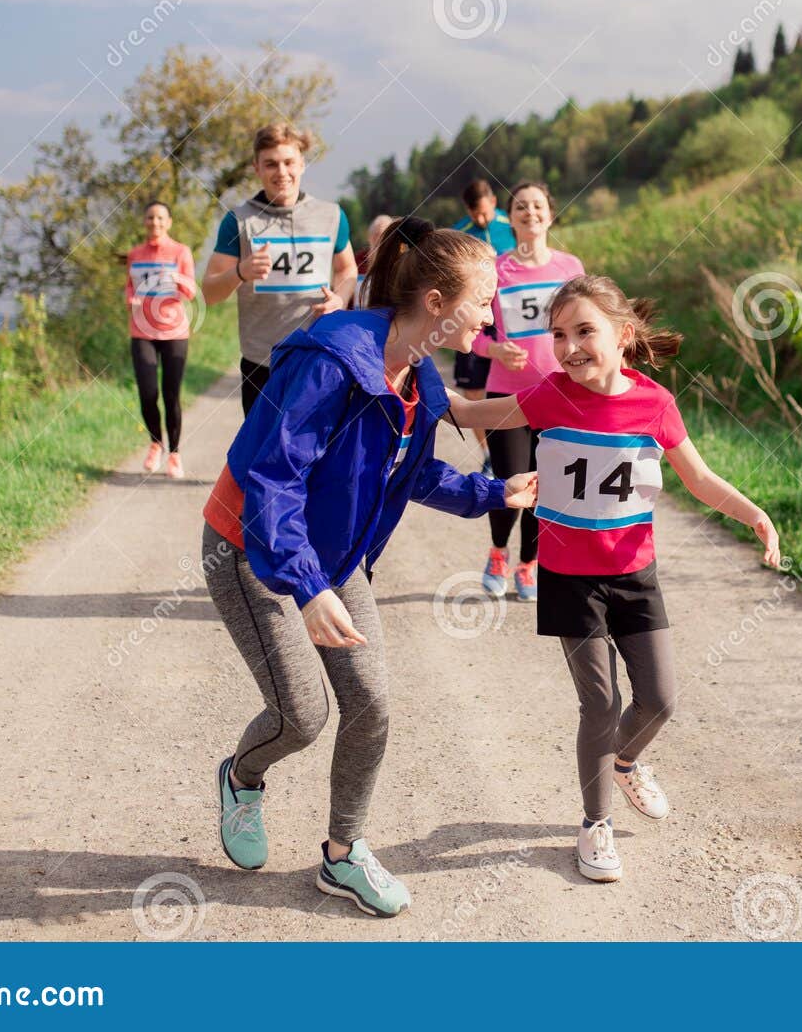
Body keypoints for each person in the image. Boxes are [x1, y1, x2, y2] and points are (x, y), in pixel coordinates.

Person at [201, 218, 537, 917]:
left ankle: (342, 852)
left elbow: (411, 471)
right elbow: (272, 480)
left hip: (329, 552)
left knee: (372, 705)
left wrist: (492, 493)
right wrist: (309, 585)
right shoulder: (332, 359)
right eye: (484, 300)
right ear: (439, 301)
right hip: (251, 547)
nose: (491, 314)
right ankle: (242, 775)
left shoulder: (416, 372)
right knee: (304, 714)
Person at [449, 275, 780, 884]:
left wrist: (755, 514)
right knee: (599, 702)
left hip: (633, 575)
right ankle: (594, 824)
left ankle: (625, 762)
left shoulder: (654, 403)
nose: (569, 346)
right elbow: (470, 411)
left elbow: (700, 481)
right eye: (558, 335)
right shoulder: (550, 395)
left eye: (584, 332)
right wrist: (410, 374)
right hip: (570, 577)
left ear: (623, 336)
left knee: (659, 700)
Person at [467, 181, 584, 602]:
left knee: (546, 487)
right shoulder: (495, 270)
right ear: (509, 217)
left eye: (537, 206)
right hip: (507, 396)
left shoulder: (571, 268)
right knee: (508, 483)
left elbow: (586, 327)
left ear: (550, 214)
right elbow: (474, 332)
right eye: (521, 206)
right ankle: (498, 552)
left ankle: (528, 564)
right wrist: (494, 348)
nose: (529, 212)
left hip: (559, 395)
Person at [201, 122, 359, 415]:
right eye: (271, 164)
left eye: (289, 162)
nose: (281, 172)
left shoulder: (331, 216)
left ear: (301, 164)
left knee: (314, 454)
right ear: (257, 168)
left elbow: (347, 269)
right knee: (262, 456)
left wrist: (340, 298)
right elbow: (209, 293)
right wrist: (241, 272)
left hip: (318, 356)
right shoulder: (238, 221)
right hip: (262, 363)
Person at [124, 200, 197, 479]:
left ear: (169, 222)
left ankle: (174, 453)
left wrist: (175, 279)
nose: (155, 222)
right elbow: (129, 288)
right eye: (150, 218)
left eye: (160, 218)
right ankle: (156, 443)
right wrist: (132, 298)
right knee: (147, 393)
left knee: (170, 395)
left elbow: (190, 291)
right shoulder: (135, 254)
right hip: (141, 331)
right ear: (145, 222)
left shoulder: (180, 251)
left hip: (173, 332)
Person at [450, 180, 515, 465]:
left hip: (509, 314)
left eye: (484, 213)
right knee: (474, 389)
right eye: (474, 214)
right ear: (467, 209)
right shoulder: (460, 233)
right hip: (474, 315)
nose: (480, 220)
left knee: (511, 382)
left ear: (493, 201)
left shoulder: (511, 224)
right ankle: (488, 454)